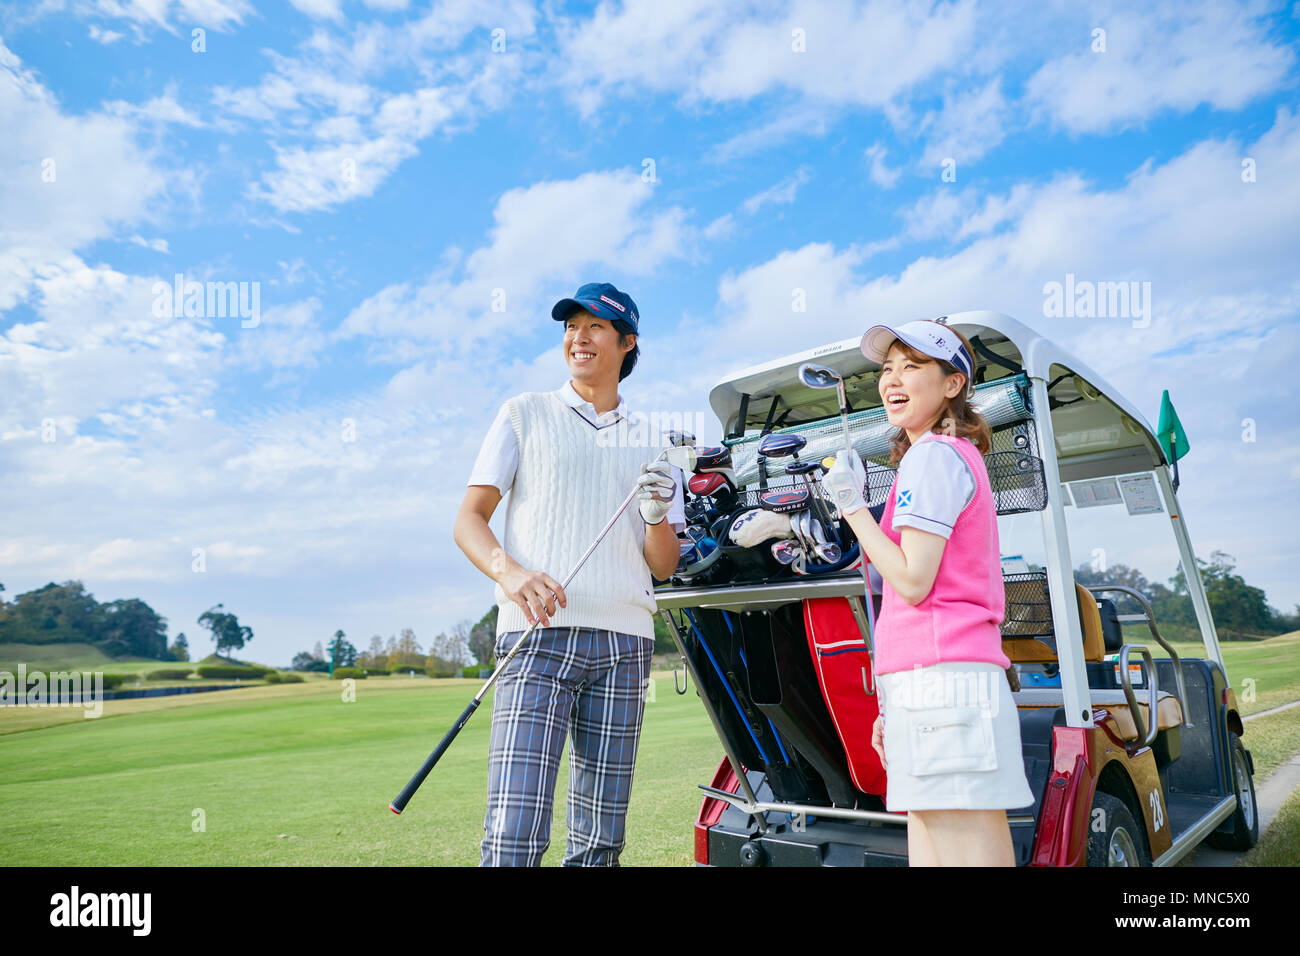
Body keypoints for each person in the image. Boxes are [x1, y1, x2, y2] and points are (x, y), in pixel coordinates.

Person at [453, 281, 686, 866]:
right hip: (536, 638)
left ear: (627, 343)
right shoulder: (522, 414)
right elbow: (469, 520)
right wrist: (509, 574)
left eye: (596, 327)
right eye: (570, 327)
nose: (578, 338)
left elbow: (662, 563)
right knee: (514, 828)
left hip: (624, 645)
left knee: (600, 841)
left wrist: (657, 516)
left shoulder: (655, 443)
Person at [822, 317, 1033, 866]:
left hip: (944, 681)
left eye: (913, 366)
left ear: (952, 385)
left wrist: (850, 506)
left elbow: (913, 581)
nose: (893, 378)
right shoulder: (939, 455)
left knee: (960, 847)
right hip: (930, 680)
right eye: (888, 368)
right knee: (935, 845)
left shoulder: (935, 455)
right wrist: (892, 705)